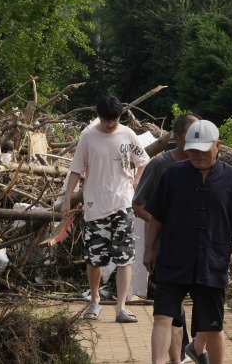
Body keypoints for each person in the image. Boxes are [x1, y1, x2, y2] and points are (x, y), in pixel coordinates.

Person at [143, 120, 232, 364]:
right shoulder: (173, 175)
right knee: (163, 317)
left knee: (213, 326)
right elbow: (157, 217)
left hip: (212, 262)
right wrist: (148, 250)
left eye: (203, 150)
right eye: (193, 149)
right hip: (174, 259)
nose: (197, 155)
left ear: (218, 146)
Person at [61, 96, 148, 324]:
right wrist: (67, 199)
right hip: (95, 205)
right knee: (95, 258)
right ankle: (95, 300)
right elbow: (76, 170)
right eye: (107, 120)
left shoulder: (127, 134)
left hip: (122, 203)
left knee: (124, 257)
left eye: (115, 120)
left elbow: (143, 161)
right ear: (98, 116)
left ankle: (121, 307)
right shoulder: (88, 136)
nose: (111, 125)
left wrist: (136, 181)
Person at [132, 113, 206, 364]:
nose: (197, 141)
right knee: (169, 312)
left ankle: (184, 353)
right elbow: (139, 204)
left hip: (199, 254)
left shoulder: (206, 164)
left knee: (194, 311)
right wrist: (160, 228)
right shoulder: (161, 165)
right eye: (191, 135)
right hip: (168, 252)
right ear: (176, 137)